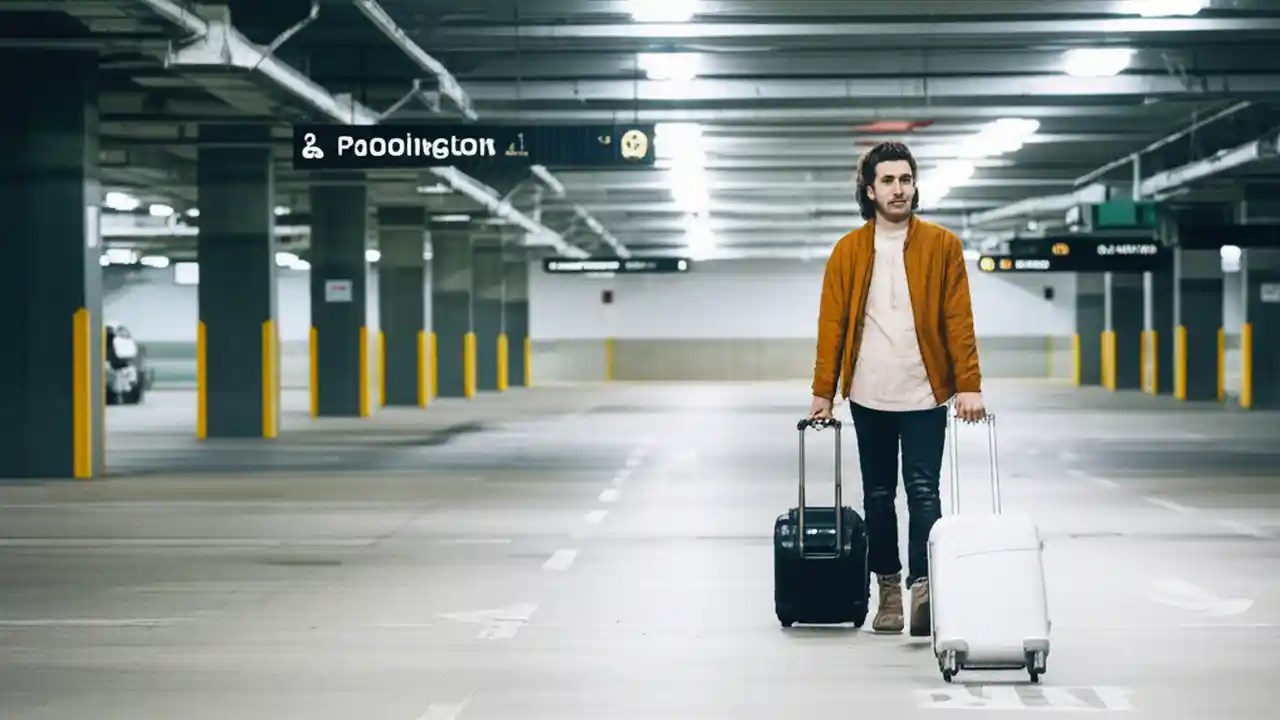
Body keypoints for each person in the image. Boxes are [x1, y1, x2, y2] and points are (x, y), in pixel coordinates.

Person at [807, 141, 985, 637]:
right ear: (870, 189)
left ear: (914, 185)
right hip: (869, 392)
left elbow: (958, 320)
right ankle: (889, 589)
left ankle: (925, 588)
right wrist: (824, 391)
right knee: (879, 496)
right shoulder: (848, 250)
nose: (898, 189)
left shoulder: (942, 245)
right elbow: (832, 325)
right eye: (887, 180)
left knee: (925, 492)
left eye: (905, 179)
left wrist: (968, 385)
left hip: (926, 392)